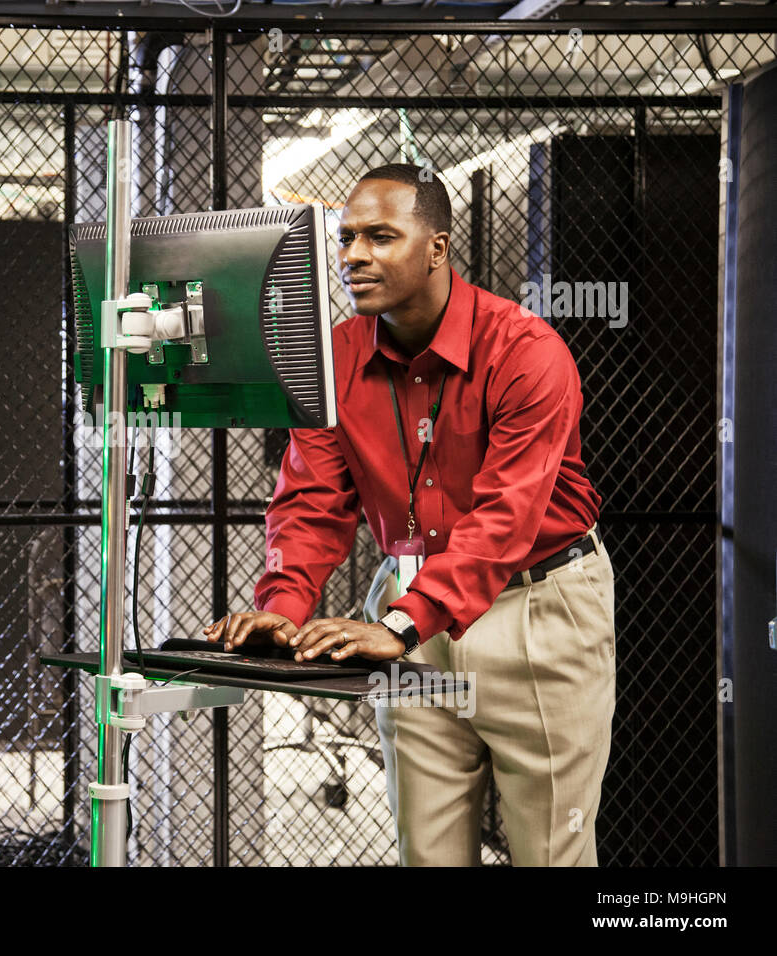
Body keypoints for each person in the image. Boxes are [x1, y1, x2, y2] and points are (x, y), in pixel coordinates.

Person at [204, 163, 615, 866]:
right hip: (409, 610)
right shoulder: (334, 359)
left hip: (537, 607)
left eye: (380, 236)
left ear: (437, 248)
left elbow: (506, 519)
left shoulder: (525, 352)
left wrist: (399, 624)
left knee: (550, 854)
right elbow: (310, 501)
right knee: (426, 854)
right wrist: (284, 604)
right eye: (346, 238)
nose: (354, 255)